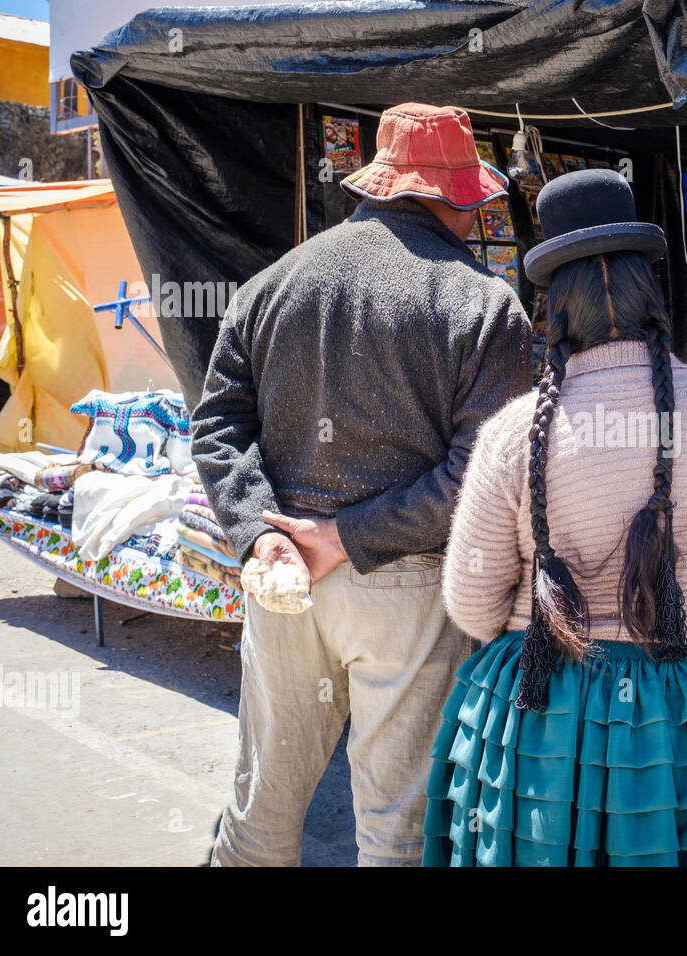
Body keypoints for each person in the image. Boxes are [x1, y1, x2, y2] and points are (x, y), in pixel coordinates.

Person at [423, 169, 687, 866]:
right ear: (650, 290)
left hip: (553, 729)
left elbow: (473, 606)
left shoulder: (512, 434)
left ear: (552, 308)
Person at [192, 102, 532, 866]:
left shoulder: (272, 284)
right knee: (397, 832)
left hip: (284, 581)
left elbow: (217, 426)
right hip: (405, 589)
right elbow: (482, 476)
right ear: (454, 199)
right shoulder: (483, 303)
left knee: (259, 817)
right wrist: (343, 538)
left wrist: (263, 535)